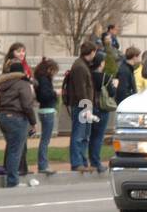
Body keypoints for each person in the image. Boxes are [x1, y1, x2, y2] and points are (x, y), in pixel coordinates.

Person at [0, 60, 37, 187]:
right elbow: (27, 105)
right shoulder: (23, 84)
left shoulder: (3, 84)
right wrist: (33, 122)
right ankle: (13, 181)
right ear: (21, 72)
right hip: (17, 118)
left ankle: (9, 175)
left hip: (4, 117)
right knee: (15, 150)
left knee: (11, 147)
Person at [66, 42, 97, 173]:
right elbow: (81, 89)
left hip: (85, 105)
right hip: (82, 106)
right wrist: (86, 106)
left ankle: (83, 161)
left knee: (84, 135)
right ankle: (77, 162)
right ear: (91, 52)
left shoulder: (82, 65)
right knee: (78, 135)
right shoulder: (79, 67)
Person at [32, 58, 60, 176]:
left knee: (45, 139)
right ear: (49, 70)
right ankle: (43, 164)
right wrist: (55, 93)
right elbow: (45, 95)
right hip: (47, 110)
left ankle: (43, 163)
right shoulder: (44, 80)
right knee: (45, 140)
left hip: (45, 110)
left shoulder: (41, 79)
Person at [88, 50, 111, 174]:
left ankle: (89, 159)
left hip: (89, 106)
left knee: (90, 135)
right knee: (98, 136)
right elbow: (112, 92)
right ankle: (96, 161)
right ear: (101, 63)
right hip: (101, 108)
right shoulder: (105, 78)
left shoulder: (88, 75)